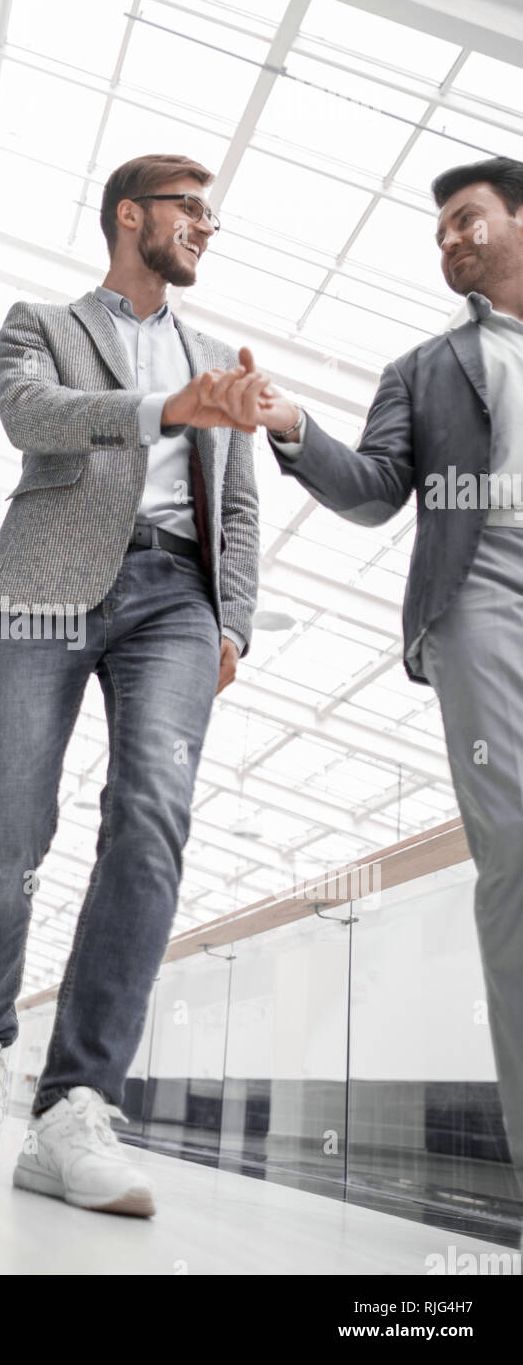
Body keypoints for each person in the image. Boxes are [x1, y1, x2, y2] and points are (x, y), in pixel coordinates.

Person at [0, 153, 268, 1216]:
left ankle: (74, 1104)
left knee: (150, 816)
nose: (205, 228)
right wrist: (163, 409)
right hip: (46, 583)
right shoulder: (38, 319)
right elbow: (30, 417)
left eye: (211, 215)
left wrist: (236, 622)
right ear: (131, 216)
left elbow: (238, 507)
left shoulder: (220, 354)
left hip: (176, 596)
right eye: (190, 210)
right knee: (8, 840)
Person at [224, 155, 523, 1193]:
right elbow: (373, 488)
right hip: (480, 594)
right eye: (437, 228)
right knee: (517, 845)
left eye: (466, 221)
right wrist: (292, 427)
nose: (448, 240)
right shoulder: (427, 368)